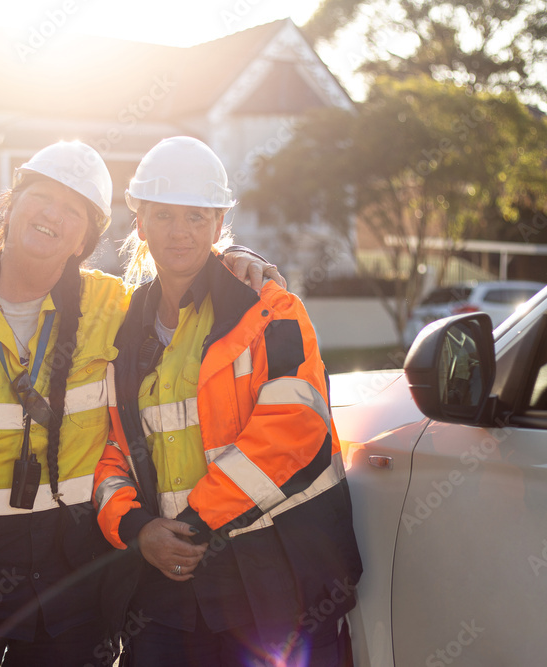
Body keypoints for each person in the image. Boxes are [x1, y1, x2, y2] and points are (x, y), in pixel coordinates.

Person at [0, 139, 282, 667]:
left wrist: (240, 260)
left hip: (74, 573)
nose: (54, 215)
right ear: (12, 205)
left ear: (85, 238)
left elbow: (185, 277)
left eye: (73, 209)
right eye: (42, 196)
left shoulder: (115, 306)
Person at [93, 137, 363, 666]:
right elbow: (104, 449)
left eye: (196, 216)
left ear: (218, 226)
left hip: (276, 583)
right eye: (164, 215)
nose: (179, 231)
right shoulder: (121, 331)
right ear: (140, 225)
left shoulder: (270, 310)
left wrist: (191, 526)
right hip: (167, 590)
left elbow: (293, 429)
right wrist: (137, 529)